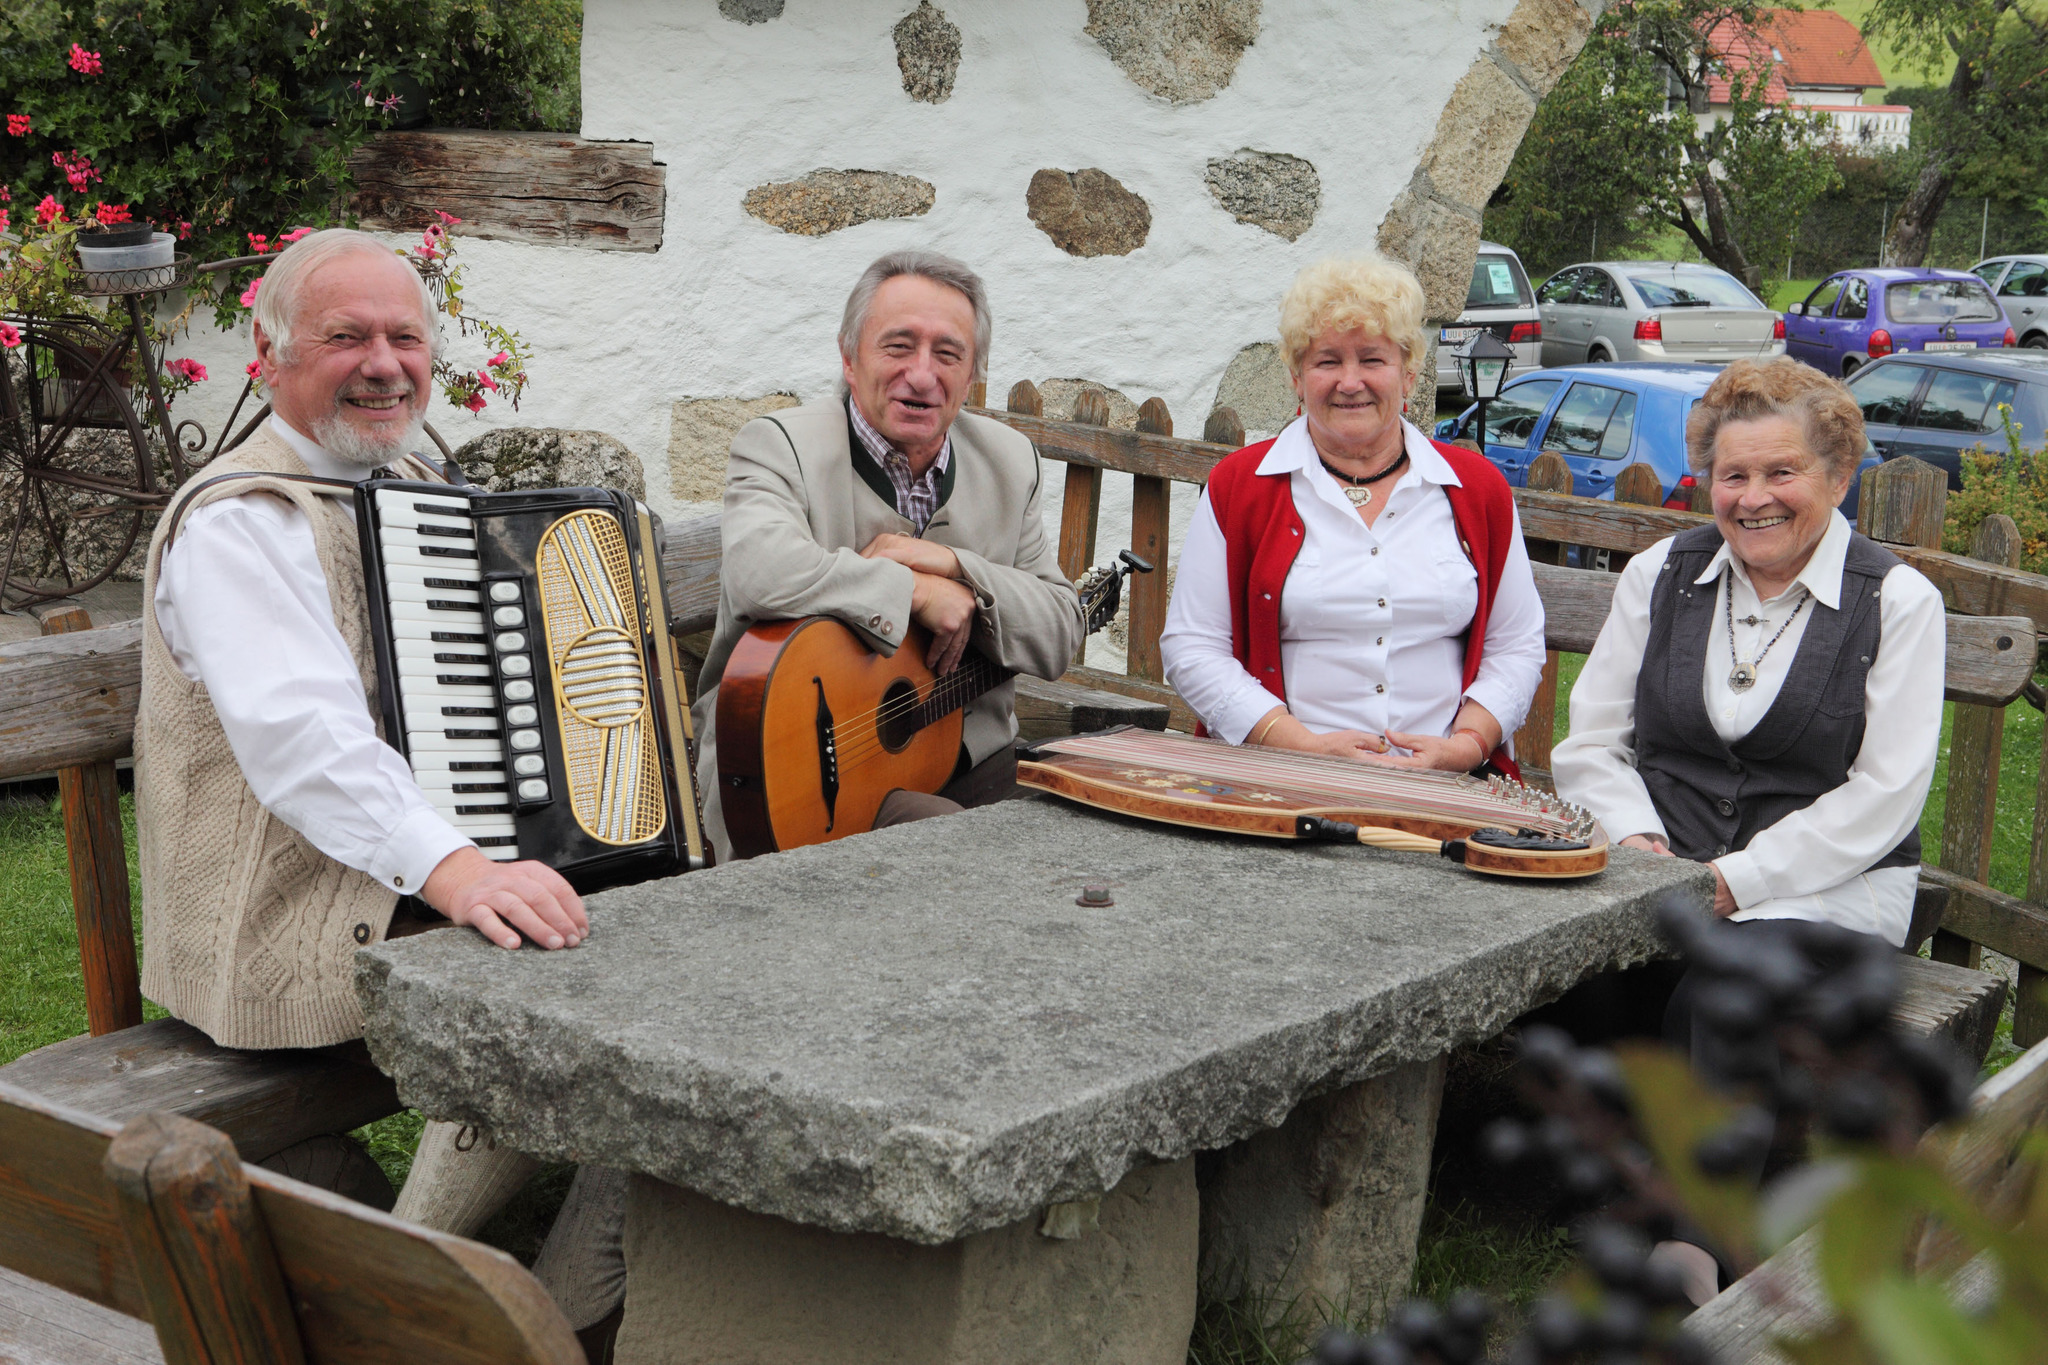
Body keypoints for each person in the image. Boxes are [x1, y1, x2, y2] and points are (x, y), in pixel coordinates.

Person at [135, 228, 614, 1356]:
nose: (384, 363)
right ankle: (428, 1301)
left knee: (651, 947)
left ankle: (561, 1296)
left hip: (388, 880)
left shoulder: (407, 486)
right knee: (577, 1003)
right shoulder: (239, 522)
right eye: (344, 336)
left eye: (405, 336)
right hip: (279, 923)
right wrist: (458, 869)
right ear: (270, 359)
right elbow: (305, 741)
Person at [1551, 355, 1946, 1304]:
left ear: (1837, 476)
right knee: (1574, 978)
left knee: (1719, 994)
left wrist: (1738, 880)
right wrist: (1644, 846)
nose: (1754, 497)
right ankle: (1613, 1199)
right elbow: (1593, 743)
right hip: (1663, 863)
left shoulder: (1897, 602)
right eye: (1734, 475)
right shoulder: (1663, 574)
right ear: (1708, 480)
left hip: (1833, 887)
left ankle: (1696, 1252)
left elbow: (1885, 794)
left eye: (1782, 474)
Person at [691, 249, 1087, 861]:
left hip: (969, 763)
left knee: (1092, 834)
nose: (923, 375)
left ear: (972, 374)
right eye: (898, 347)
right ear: (850, 359)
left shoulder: (1012, 462)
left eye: (948, 354)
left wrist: (960, 573)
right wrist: (914, 591)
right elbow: (758, 574)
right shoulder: (779, 446)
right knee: (976, 857)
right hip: (793, 779)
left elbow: (1060, 631)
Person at [1160, 253, 1545, 772]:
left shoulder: (1476, 491)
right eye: (1326, 361)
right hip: (1281, 777)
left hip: (1449, 786)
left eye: (1372, 359)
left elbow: (1516, 644)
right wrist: (1302, 746)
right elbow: (1193, 647)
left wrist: (1465, 748)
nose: (1350, 380)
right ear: (1297, 378)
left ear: (1408, 374)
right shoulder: (1240, 487)